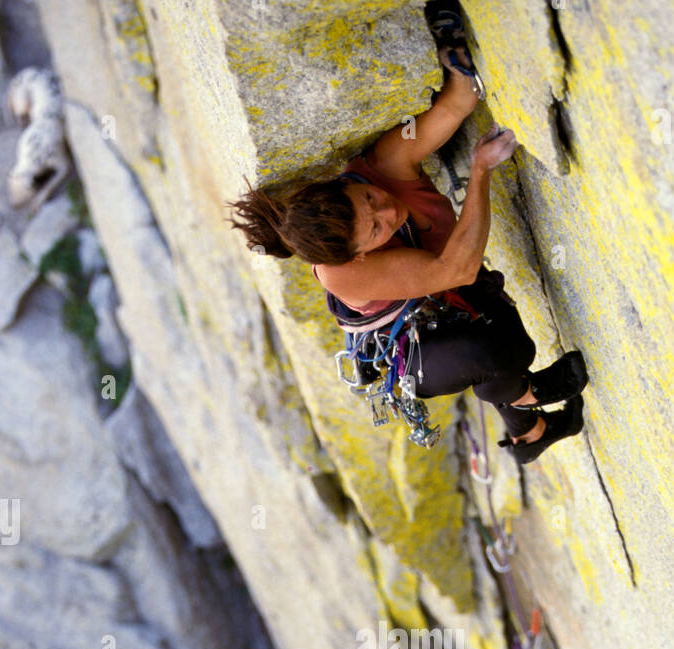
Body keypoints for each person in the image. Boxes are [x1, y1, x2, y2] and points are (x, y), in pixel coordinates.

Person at [228, 13, 588, 467]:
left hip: (445, 293)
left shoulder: (383, 165)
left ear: (349, 182)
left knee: (488, 326)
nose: (388, 211)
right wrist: (480, 171)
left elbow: (455, 105)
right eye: (377, 229)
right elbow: (456, 268)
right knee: (500, 351)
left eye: (369, 198)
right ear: (358, 255)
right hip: (415, 350)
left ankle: (530, 436)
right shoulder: (347, 276)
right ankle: (527, 396)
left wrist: (451, 50)